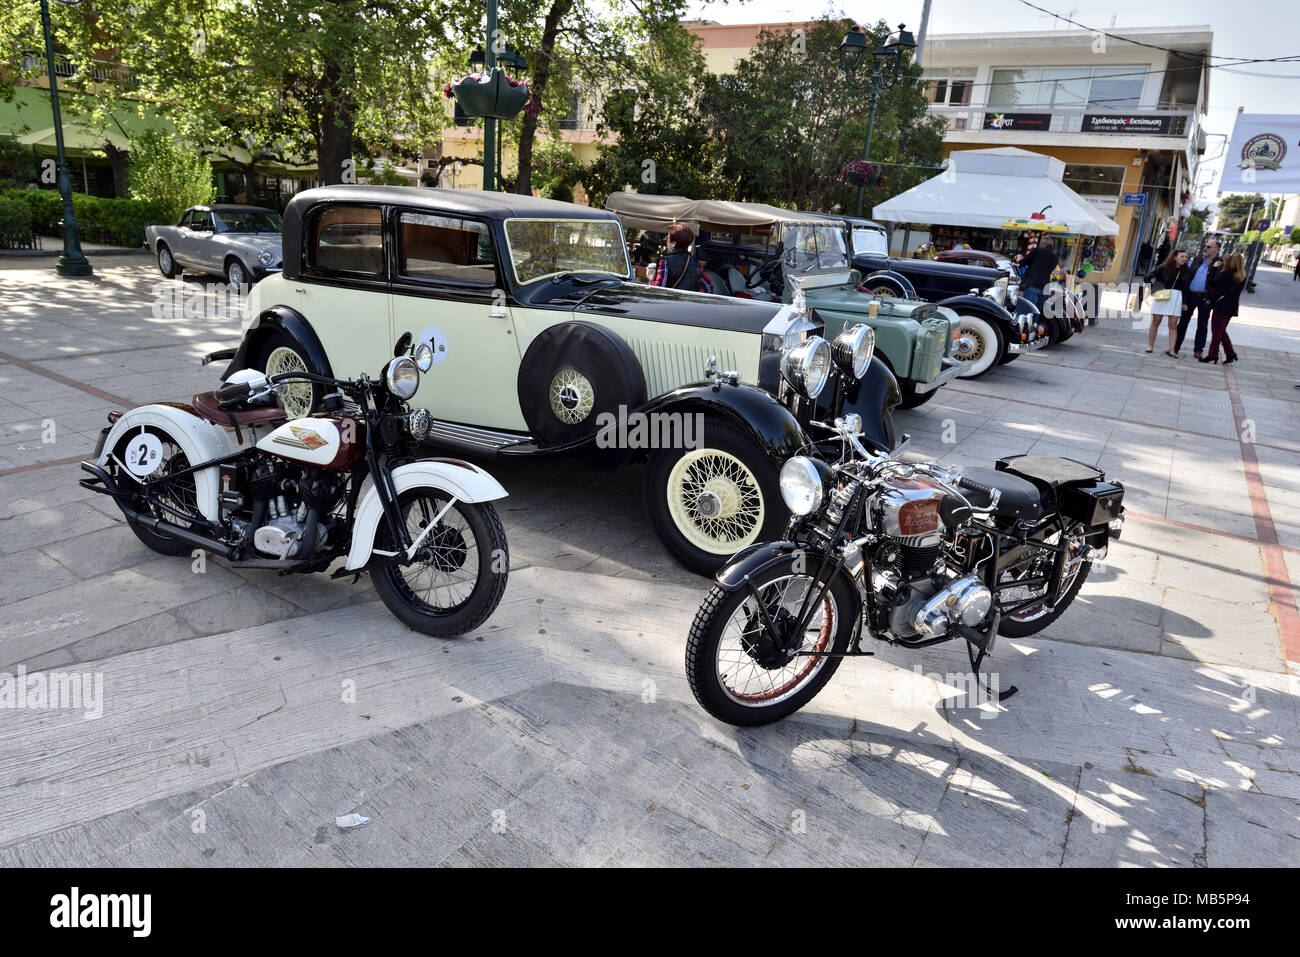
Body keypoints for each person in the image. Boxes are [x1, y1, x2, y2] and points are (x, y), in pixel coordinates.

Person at [1175, 238, 1221, 358]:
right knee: (1183, 322)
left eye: (1209, 247)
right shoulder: (1197, 260)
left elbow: (1218, 282)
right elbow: (1187, 276)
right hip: (1191, 295)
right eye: (1205, 246)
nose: (1205, 248)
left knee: (1202, 324)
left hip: (1205, 298)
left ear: (1216, 249)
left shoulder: (1219, 263)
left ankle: (1198, 350)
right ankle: (1175, 347)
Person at [1199, 251, 1247, 365]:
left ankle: (1212, 355)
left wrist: (1214, 269)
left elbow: (1211, 281)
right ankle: (1230, 353)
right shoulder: (1241, 275)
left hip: (1221, 305)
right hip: (1231, 307)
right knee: (1221, 331)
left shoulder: (1227, 274)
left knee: (1216, 332)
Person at [1145, 249, 1188, 356]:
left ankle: (1172, 350)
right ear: (1175, 257)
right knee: (1156, 322)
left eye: (1186, 257)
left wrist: (1184, 302)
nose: (1184, 259)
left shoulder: (1186, 270)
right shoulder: (1164, 267)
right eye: (1182, 256)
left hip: (1176, 297)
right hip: (1163, 295)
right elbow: (1147, 277)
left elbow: (1186, 288)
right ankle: (1150, 346)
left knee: (1173, 325)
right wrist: (1155, 289)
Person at [648, 223, 713, 293]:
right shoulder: (695, 263)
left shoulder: (665, 262)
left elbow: (659, 289)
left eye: (668, 238)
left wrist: (651, 278)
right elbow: (709, 287)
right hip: (689, 303)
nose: (666, 241)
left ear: (673, 243)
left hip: (671, 303)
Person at [1014, 237, 1058, 309]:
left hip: (1033, 285)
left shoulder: (1037, 251)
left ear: (1043, 244)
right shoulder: (1055, 258)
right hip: (1045, 288)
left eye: (1040, 244)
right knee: (1036, 312)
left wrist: (1019, 260)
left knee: (1027, 311)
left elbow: (1023, 262)